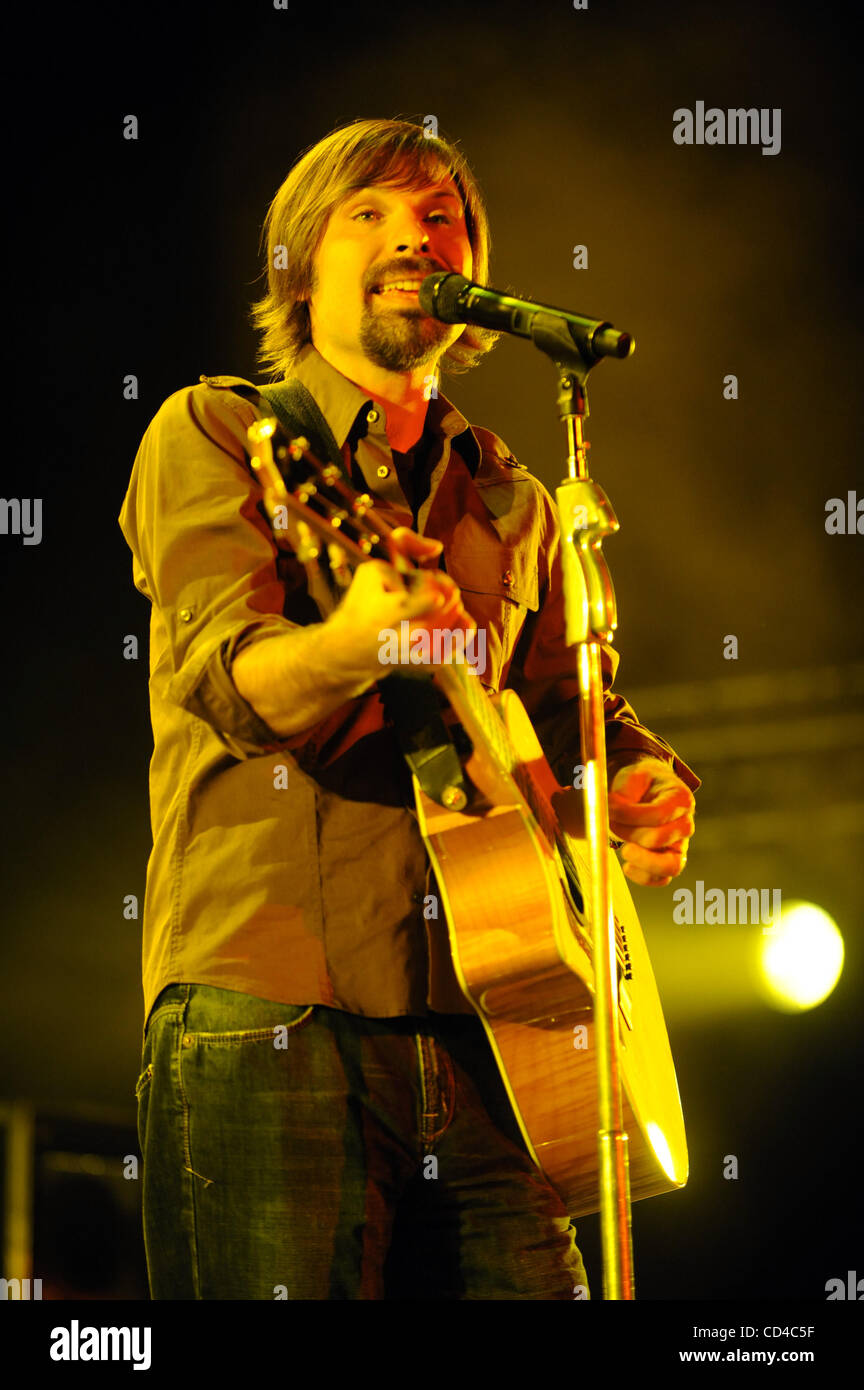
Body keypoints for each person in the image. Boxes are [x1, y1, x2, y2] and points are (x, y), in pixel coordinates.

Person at [119, 117, 699, 1300]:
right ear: (298, 267)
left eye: (440, 216)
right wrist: (352, 640)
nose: (412, 236)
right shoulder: (221, 433)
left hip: (503, 1031)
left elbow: (570, 708)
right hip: (275, 1009)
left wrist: (634, 785)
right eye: (368, 214)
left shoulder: (514, 498)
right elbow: (228, 683)